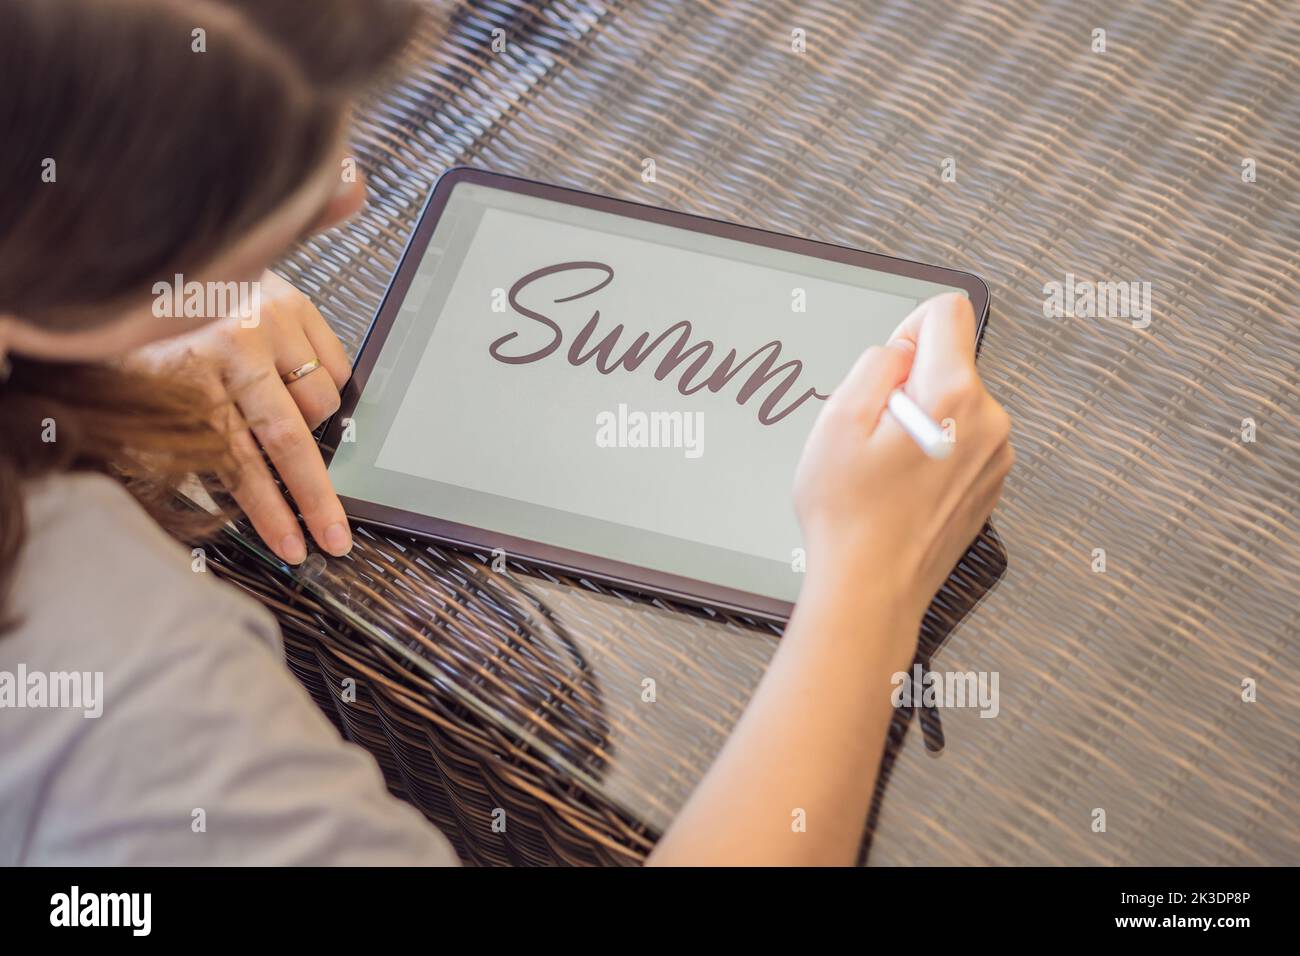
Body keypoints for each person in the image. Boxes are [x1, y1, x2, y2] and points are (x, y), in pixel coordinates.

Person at [0, 0, 1012, 866]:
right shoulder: (102, 672)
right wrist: (869, 577)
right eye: (279, 187)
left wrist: (146, 301)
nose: (349, 189)